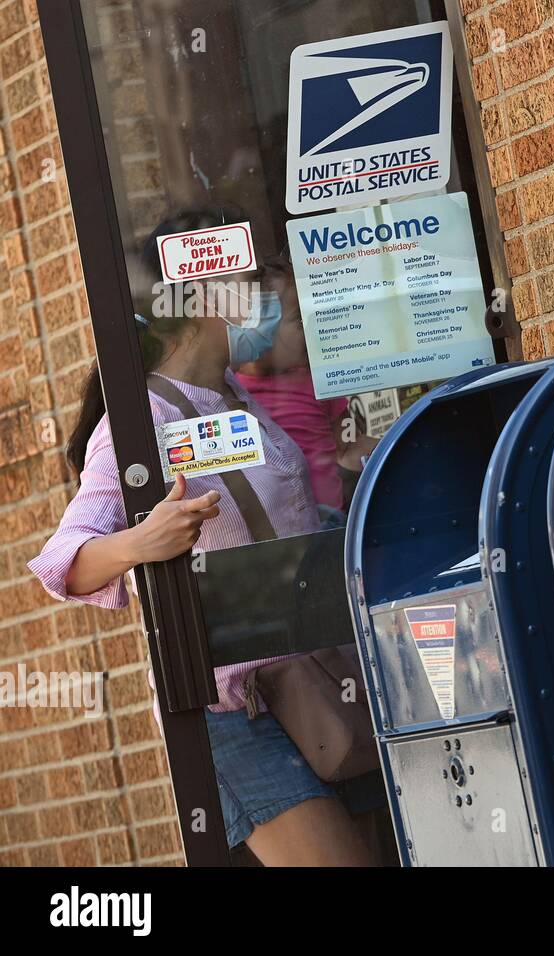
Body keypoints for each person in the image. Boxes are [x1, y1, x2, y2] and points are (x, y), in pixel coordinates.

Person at [28, 209, 376, 866]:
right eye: (253, 284)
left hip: (314, 678)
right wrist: (144, 540)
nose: (269, 301)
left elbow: (276, 519)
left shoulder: (234, 393)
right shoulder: (143, 420)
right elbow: (63, 562)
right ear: (203, 303)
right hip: (234, 714)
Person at [233, 256, 375, 523]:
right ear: (260, 327)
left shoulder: (316, 382)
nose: (307, 330)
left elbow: (347, 446)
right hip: (278, 533)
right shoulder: (229, 392)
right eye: (298, 319)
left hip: (330, 523)